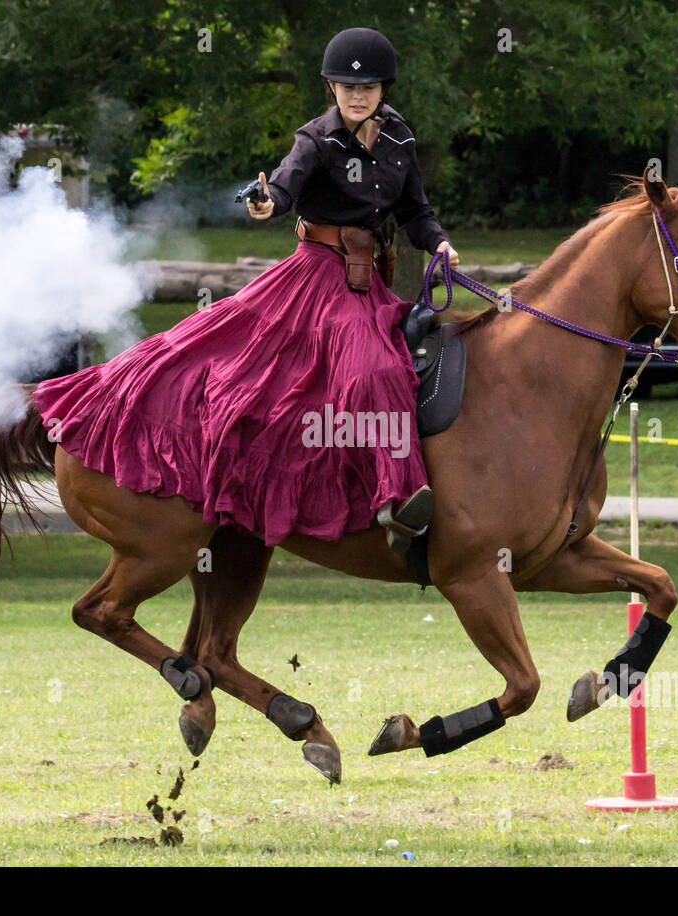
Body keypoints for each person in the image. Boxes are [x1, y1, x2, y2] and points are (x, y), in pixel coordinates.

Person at [33, 26, 457, 553]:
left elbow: (415, 210)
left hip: (367, 280)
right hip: (316, 276)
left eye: (367, 87)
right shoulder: (315, 140)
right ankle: (399, 497)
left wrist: (439, 243)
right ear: (331, 87)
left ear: (382, 89)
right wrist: (266, 202)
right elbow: (283, 186)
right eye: (347, 87)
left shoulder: (399, 139)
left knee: (409, 357)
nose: (357, 96)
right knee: (373, 369)